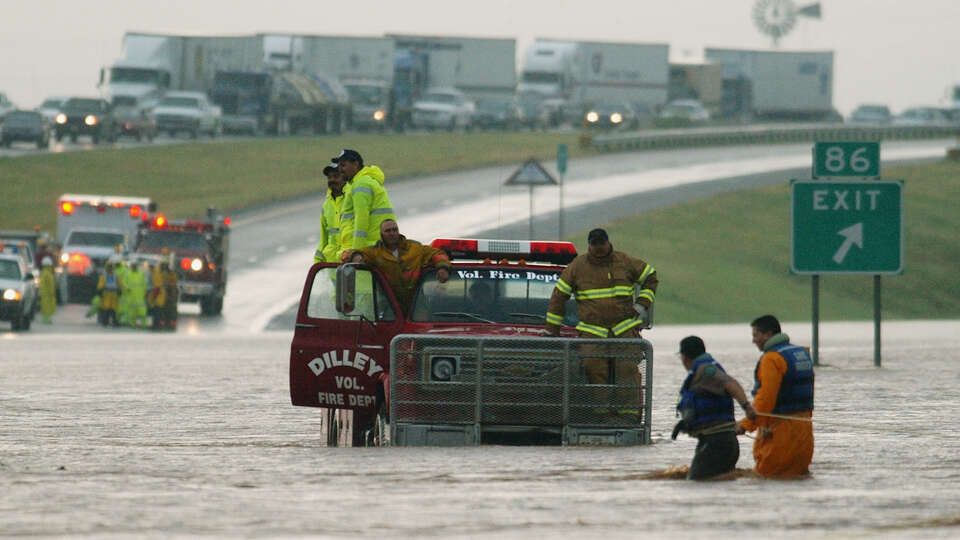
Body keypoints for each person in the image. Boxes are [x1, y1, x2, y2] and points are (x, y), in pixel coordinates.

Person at [544, 228, 658, 413]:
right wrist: (552, 331)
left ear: (608, 242)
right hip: (592, 332)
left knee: (627, 370)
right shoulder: (577, 267)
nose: (598, 248)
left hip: (624, 330)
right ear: (589, 245)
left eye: (601, 243)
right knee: (593, 371)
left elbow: (650, 277)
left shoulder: (625, 262)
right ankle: (600, 414)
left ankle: (628, 416)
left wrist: (640, 305)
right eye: (594, 244)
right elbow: (558, 297)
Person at [737, 315, 815, 478]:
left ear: (768, 334)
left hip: (780, 433)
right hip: (805, 432)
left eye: (756, 335)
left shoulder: (771, 359)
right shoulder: (802, 353)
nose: (753, 340)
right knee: (798, 478)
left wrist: (744, 425)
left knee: (765, 478)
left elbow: (766, 399)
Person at [673, 336, 756, 480]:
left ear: (685, 357)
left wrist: (747, 407)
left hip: (718, 443)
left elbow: (731, 384)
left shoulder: (707, 370)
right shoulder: (702, 370)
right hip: (715, 441)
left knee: (696, 481)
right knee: (710, 482)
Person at [348, 219, 451, 315]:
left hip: (417, 307)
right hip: (390, 309)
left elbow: (438, 253)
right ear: (381, 234)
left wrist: (443, 268)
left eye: (394, 230)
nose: (392, 233)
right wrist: (355, 256)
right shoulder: (375, 252)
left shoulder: (415, 248)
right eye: (388, 231)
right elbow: (349, 254)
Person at [333, 149, 396, 260]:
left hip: (369, 248)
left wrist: (357, 252)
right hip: (374, 246)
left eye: (343, 165)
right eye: (339, 166)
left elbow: (361, 219)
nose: (340, 169)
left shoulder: (361, 185)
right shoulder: (360, 183)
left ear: (355, 164)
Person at [313, 163, 349, 263]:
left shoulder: (352, 199)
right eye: (329, 177)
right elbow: (324, 238)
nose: (332, 180)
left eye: (336, 176)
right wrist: (317, 262)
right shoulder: (326, 205)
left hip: (350, 262)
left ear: (345, 178)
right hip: (332, 264)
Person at [97, 259, 121, 327]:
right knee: (106, 308)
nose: (110, 268)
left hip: (114, 294)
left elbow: (119, 283)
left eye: (111, 267)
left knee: (114, 308)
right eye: (108, 267)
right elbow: (101, 284)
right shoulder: (104, 276)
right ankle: (105, 322)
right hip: (106, 293)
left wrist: (120, 290)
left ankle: (114, 321)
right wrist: (100, 290)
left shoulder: (116, 275)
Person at [39, 256, 56, 324]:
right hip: (48, 294)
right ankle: (47, 319)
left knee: (44, 307)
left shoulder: (43, 273)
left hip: (44, 294)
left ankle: (45, 319)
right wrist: (52, 292)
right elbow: (51, 285)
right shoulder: (49, 274)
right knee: (48, 307)